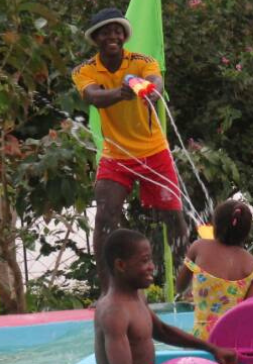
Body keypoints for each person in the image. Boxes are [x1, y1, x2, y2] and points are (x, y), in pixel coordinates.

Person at [72, 7, 187, 293]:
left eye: (118, 31)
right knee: (105, 216)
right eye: (106, 32)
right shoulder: (84, 70)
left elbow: (156, 81)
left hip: (154, 152)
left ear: (124, 36)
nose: (113, 35)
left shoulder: (142, 62)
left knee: (174, 217)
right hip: (116, 155)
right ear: (95, 38)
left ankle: (188, 285)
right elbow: (93, 97)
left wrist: (151, 88)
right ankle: (108, 290)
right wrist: (121, 93)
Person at [94, 228, 241, 364]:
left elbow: (162, 331)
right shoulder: (114, 311)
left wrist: (213, 349)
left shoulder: (137, 296)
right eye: (145, 261)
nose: (152, 267)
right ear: (121, 265)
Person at [176, 200, 253, 340]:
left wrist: (196, 290)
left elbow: (179, 286)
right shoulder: (252, 265)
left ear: (215, 225)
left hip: (202, 340)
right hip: (235, 341)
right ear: (246, 230)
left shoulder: (199, 248)